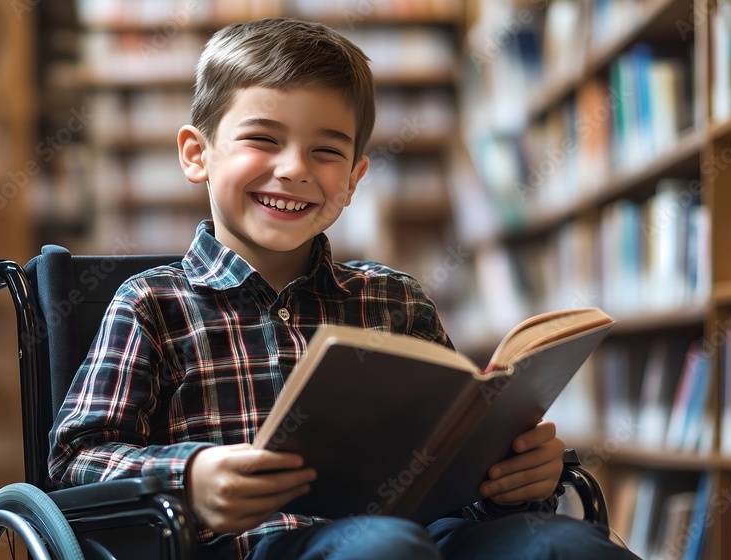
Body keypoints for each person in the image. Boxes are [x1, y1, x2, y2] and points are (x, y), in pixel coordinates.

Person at [49, 17, 639, 560]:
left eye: (326, 151)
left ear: (354, 178)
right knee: (381, 549)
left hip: (430, 534)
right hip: (257, 547)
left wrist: (515, 477)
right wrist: (192, 476)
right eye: (263, 138)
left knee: (570, 545)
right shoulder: (153, 302)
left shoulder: (395, 300)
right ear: (196, 154)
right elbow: (75, 461)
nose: (295, 168)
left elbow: (451, 457)